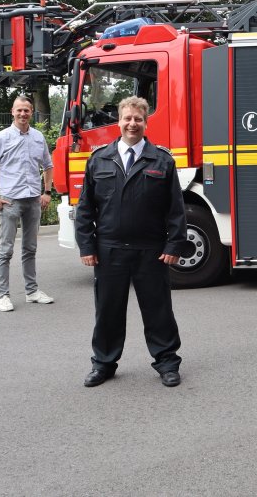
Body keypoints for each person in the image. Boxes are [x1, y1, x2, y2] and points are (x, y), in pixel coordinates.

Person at [75, 96, 189, 388]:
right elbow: (85, 208)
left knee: (158, 309)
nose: (132, 124)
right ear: (119, 120)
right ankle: (103, 363)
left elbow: (175, 210)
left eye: (138, 119)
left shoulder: (162, 160)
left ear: (146, 122)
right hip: (109, 249)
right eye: (127, 118)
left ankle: (167, 363)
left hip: (150, 250)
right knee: (108, 311)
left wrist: (173, 246)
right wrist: (86, 246)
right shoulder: (99, 159)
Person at [0, 95, 56, 312]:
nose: (23, 114)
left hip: (33, 201)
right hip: (10, 202)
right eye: (19, 110)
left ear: (32, 113)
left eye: (27, 110)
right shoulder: (2, 138)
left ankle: (32, 292)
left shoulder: (38, 137)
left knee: (30, 248)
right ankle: (3, 295)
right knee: (6, 251)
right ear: (12, 112)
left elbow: (48, 165)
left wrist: (47, 192)